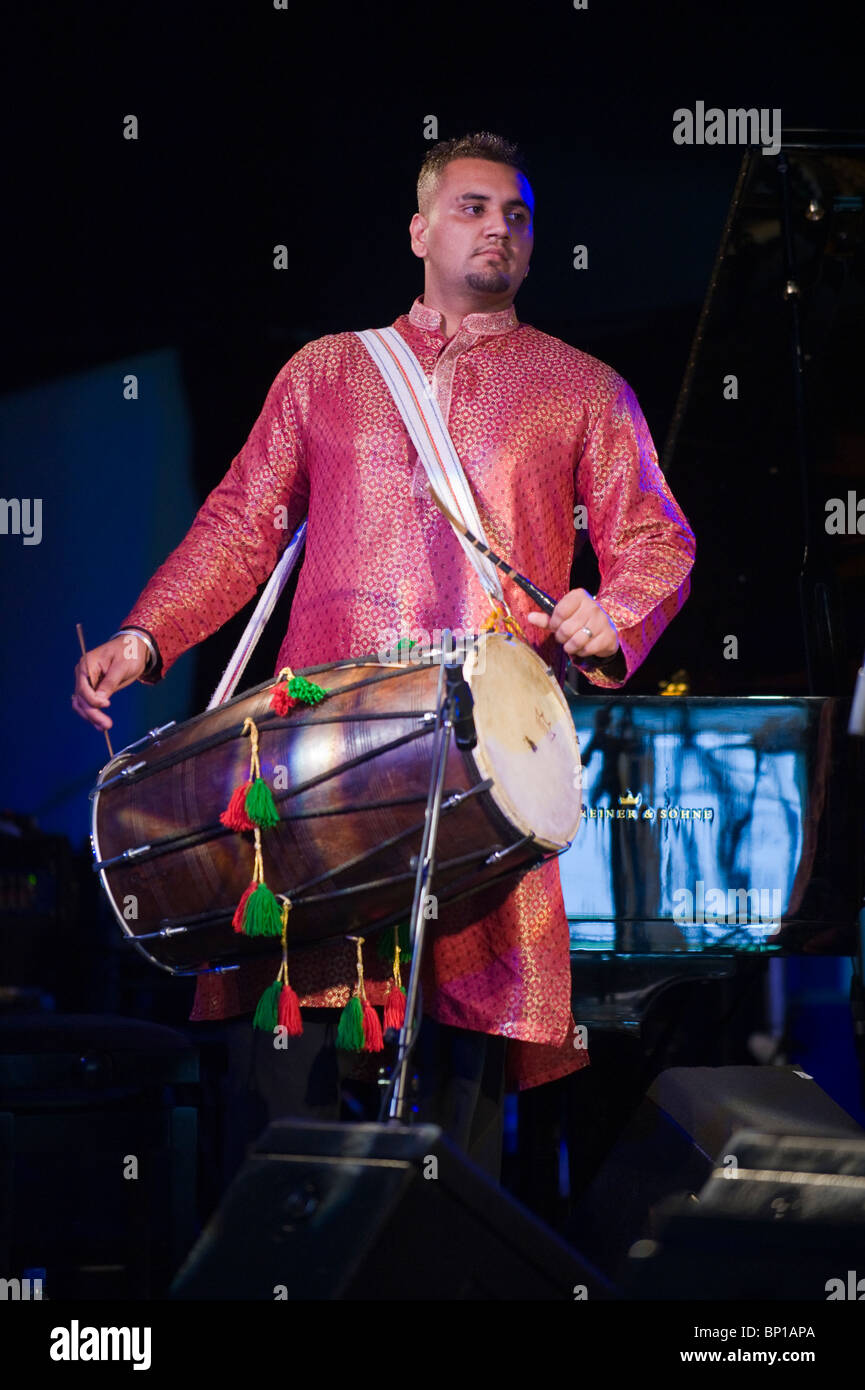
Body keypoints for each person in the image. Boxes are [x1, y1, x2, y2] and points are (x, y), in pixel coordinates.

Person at [73, 133, 695, 1184]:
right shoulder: (325, 372)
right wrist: (146, 635)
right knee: (284, 1112)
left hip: (478, 780)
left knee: (456, 1131)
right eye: (471, 207)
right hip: (319, 773)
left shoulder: (582, 388)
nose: (497, 226)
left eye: (516, 214)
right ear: (417, 231)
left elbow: (654, 540)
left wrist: (615, 613)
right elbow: (241, 524)